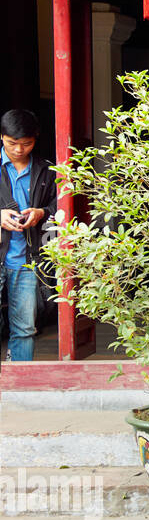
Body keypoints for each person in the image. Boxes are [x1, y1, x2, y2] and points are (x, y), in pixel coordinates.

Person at [1, 109, 58, 362]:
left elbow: (62, 205)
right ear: (2, 137)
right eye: (11, 143)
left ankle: (20, 379)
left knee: (24, 328)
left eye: (26, 144)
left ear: (35, 139)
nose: (18, 150)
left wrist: (41, 213)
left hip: (26, 258)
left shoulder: (46, 170)